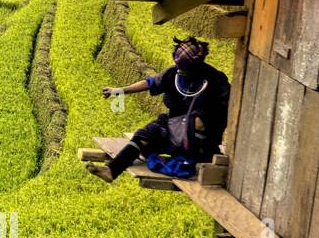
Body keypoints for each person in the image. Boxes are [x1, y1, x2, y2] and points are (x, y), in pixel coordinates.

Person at [86, 36, 231, 182]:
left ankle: (186, 156)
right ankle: (111, 170)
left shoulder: (215, 80)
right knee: (144, 135)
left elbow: (228, 108)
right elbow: (150, 83)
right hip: (172, 130)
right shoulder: (173, 74)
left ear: (197, 65)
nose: (180, 72)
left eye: (185, 69)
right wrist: (120, 90)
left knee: (198, 120)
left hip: (199, 141)